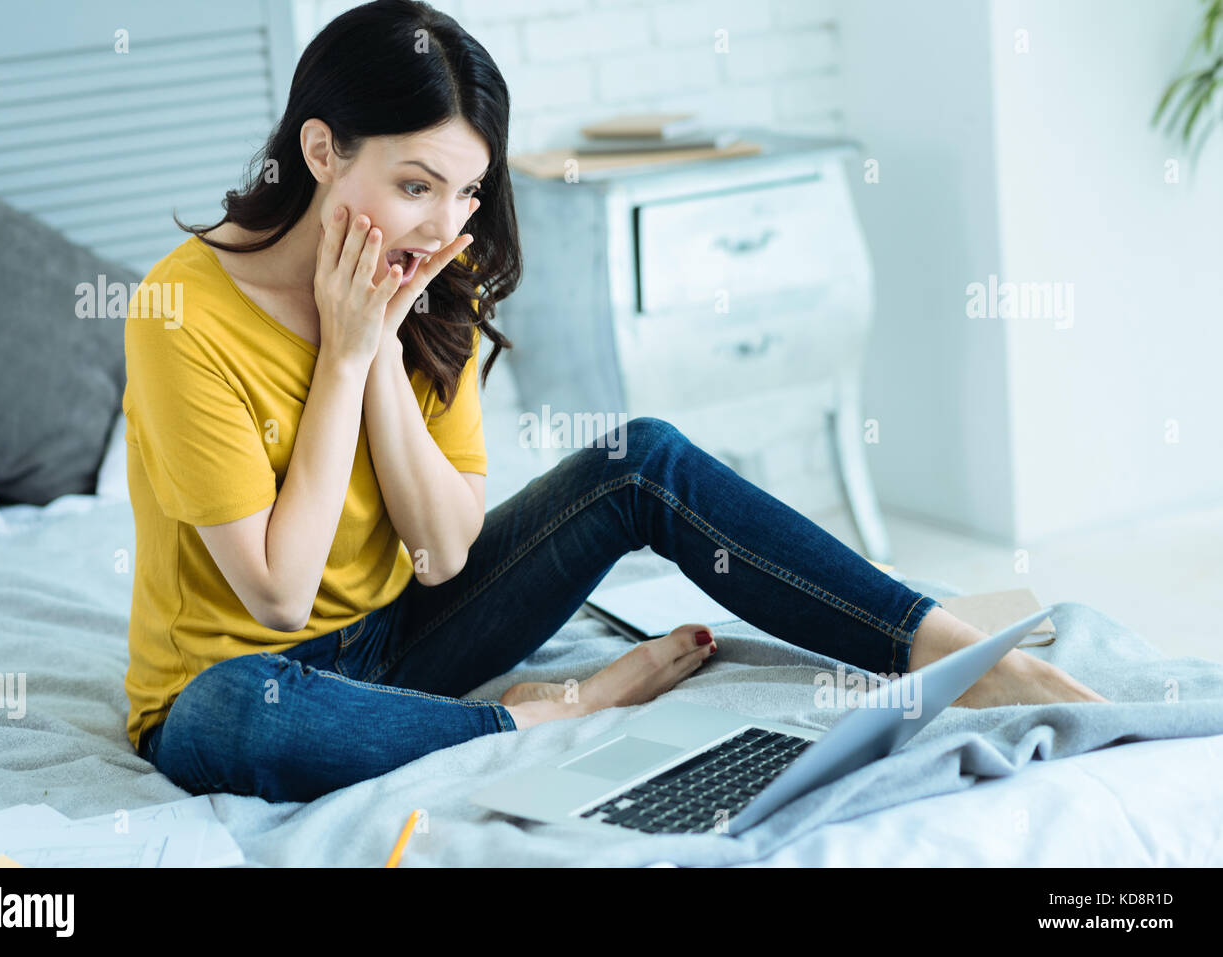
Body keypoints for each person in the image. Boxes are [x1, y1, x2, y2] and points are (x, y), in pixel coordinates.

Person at [122, 0, 1105, 804]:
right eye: (416, 185)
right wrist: (340, 359)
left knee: (642, 455)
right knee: (235, 721)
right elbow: (281, 595)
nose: (443, 226)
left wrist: (376, 345)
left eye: (466, 193)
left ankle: (948, 651)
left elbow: (442, 555)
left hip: (404, 635)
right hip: (243, 680)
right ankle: (549, 715)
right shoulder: (180, 313)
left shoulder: (425, 278)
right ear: (323, 149)